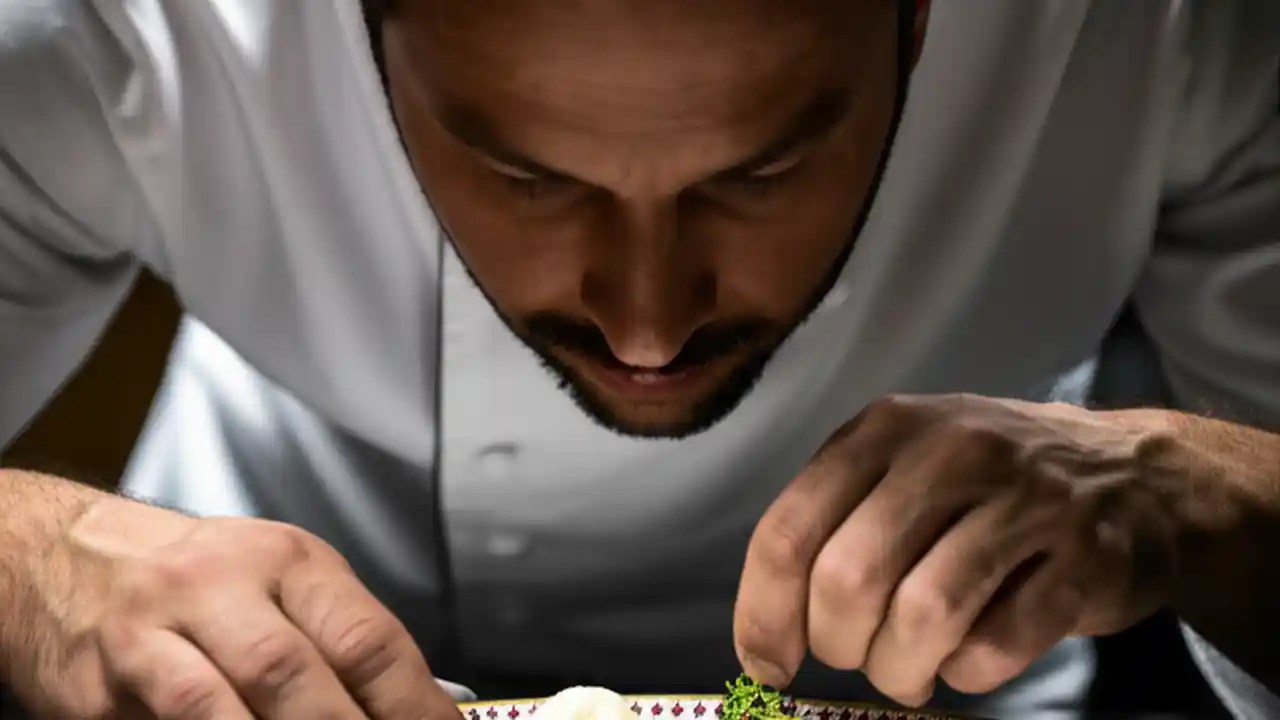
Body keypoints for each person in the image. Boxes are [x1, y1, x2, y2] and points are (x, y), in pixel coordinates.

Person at [0, 0, 1277, 718]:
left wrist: (1202, 493)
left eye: (762, 170)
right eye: (526, 176)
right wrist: (36, 564)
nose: (647, 328)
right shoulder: (110, 25)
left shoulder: (1181, 30)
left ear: (919, 26)